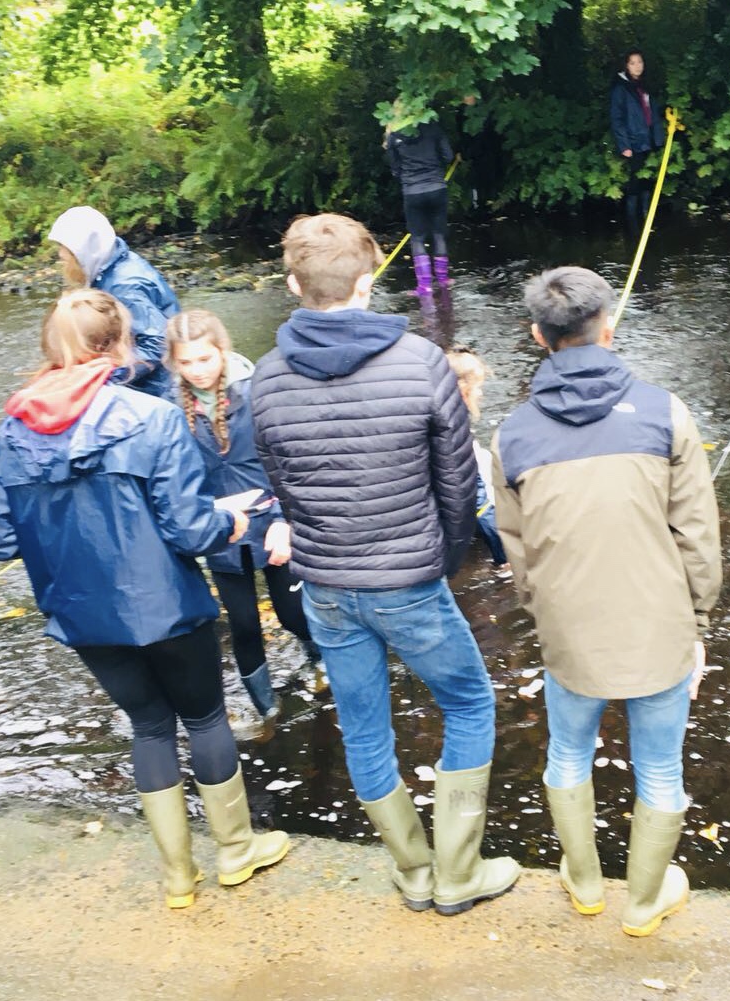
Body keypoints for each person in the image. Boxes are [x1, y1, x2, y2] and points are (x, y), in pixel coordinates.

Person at [0, 289, 289, 910]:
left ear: (49, 348)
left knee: (147, 726)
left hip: (81, 616)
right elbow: (189, 530)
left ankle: (177, 876)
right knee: (203, 718)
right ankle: (234, 853)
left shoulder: (12, 431)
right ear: (119, 345)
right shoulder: (153, 418)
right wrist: (230, 522)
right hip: (167, 605)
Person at [251, 212, 519, 916]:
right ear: (369, 282)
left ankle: (412, 870)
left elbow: (283, 485)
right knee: (467, 702)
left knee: (365, 726)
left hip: (327, 587)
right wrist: (439, 555)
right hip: (408, 578)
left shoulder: (268, 380)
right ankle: (459, 872)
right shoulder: (420, 362)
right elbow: (459, 485)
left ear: (291, 284)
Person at [491, 267, 722, 937]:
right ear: (609, 329)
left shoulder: (512, 434)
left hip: (568, 633)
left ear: (538, 336)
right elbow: (698, 539)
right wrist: (697, 625)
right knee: (659, 762)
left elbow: (520, 551)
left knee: (567, 752)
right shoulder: (665, 411)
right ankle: (645, 902)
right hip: (661, 630)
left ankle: (586, 882)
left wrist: (546, 617)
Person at [164, 308, 321, 723]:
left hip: (273, 524)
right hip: (219, 533)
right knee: (245, 624)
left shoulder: (256, 394)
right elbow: (172, 483)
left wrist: (288, 521)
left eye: (205, 359)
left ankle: (318, 658)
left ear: (223, 352)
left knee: (292, 614)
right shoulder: (167, 410)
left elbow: (291, 462)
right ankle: (266, 707)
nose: (197, 370)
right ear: (173, 363)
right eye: (186, 362)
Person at [47, 206, 178, 398]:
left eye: (65, 248)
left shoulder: (124, 287)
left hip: (161, 389)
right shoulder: (112, 267)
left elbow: (159, 342)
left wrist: (107, 378)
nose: (61, 255)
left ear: (84, 251)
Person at [446, 347, 513, 580]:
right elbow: (478, 503)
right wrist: (505, 558)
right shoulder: (455, 436)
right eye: (478, 388)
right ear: (463, 390)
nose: (481, 394)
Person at [385, 108, 455, 296]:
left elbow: (395, 169)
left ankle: (424, 287)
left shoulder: (394, 136)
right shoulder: (433, 128)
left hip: (412, 191)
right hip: (437, 188)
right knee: (439, 234)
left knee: (417, 238)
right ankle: (443, 280)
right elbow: (448, 157)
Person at [610, 49, 664, 233]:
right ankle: (632, 223)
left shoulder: (645, 86)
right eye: (633, 63)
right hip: (633, 141)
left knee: (647, 179)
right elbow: (617, 119)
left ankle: (646, 216)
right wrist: (624, 145)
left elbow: (653, 113)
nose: (637, 66)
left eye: (639, 62)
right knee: (634, 181)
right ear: (626, 65)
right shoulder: (621, 89)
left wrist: (658, 137)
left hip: (648, 139)